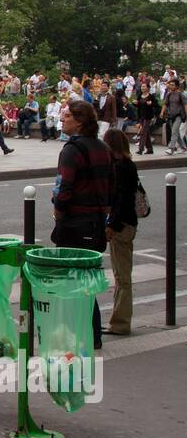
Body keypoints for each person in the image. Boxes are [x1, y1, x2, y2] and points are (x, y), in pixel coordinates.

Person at [52, 98, 115, 350]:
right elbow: (112, 186)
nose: (61, 119)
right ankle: (93, 334)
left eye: (66, 116)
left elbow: (64, 187)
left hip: (74, 222)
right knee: (85, 281)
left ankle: (80, 334)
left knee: (71, 281)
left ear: (79, 121)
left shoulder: (71, 150)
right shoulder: (102, 147)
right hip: (95, 222)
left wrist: (58, 209)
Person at [103, 127, 140, 336]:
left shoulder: (119, 168)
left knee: (122, 276)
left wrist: (111, 225)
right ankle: (119, 320)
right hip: (128, 223)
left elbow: (121, 200)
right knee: (122, 275)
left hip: (122, 225)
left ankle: (120, 322)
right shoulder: (129, 165)